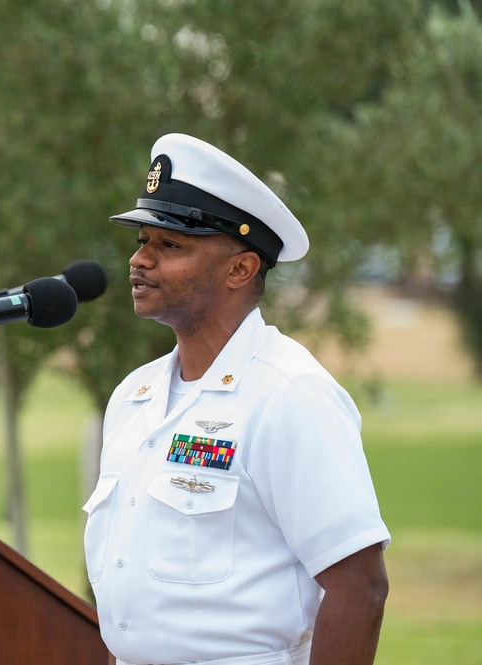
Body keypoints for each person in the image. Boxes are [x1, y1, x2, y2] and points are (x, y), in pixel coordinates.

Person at [83, 134, 390, 665]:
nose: (139, 260)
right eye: (142, 241)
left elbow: (360, 587)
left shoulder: (288, 393)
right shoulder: (133, 396)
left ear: (240, 270)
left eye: (170, 246)